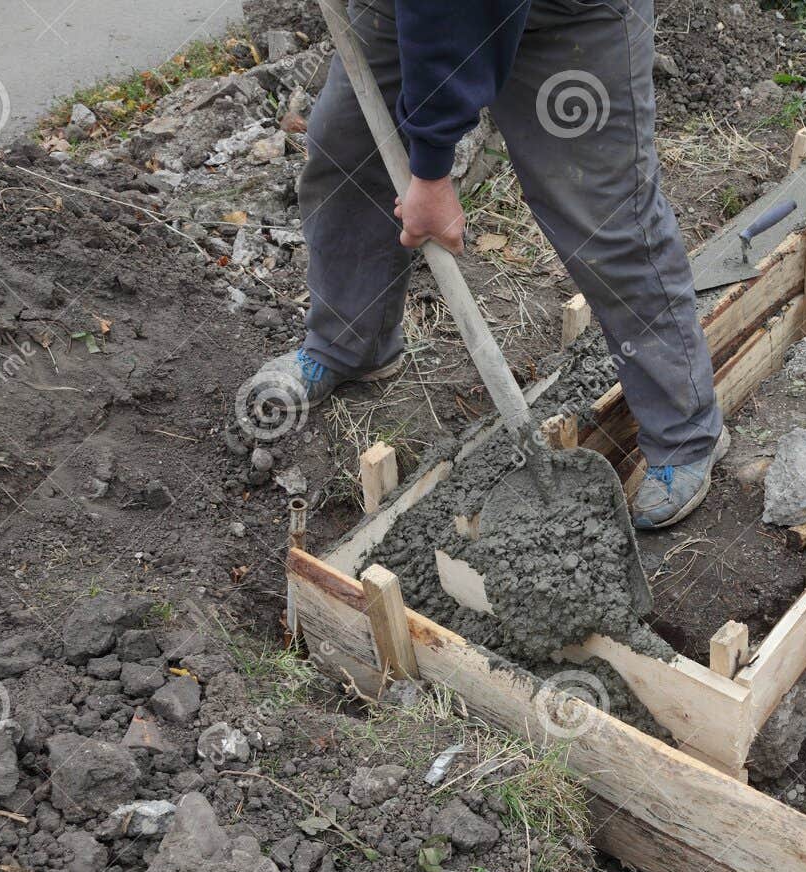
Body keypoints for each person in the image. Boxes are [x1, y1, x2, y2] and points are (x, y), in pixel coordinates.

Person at [244, 0, 726, 529]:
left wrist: (430, 169)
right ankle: (348, 344)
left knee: (605, 212)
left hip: (566, 12)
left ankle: (685, 428)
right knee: (349, 154)